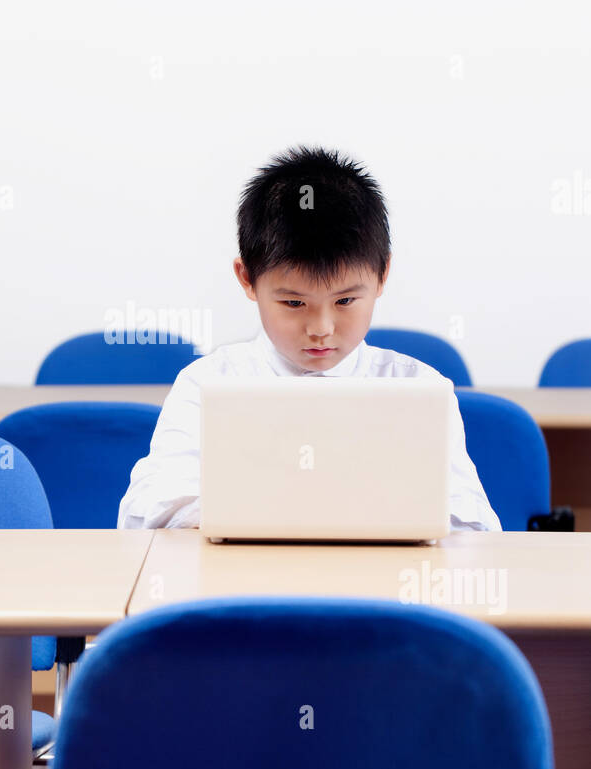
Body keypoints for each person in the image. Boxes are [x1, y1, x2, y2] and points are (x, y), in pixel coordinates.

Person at [117, 145, 501, 532]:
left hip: (379, 584)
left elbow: (474, 526)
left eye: (346, 300)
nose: (321, 327)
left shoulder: (420, 389)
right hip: (246, 583)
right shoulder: (207, 385)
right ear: (247, 278)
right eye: (294, 302)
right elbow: (147, 513)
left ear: (382, 275)